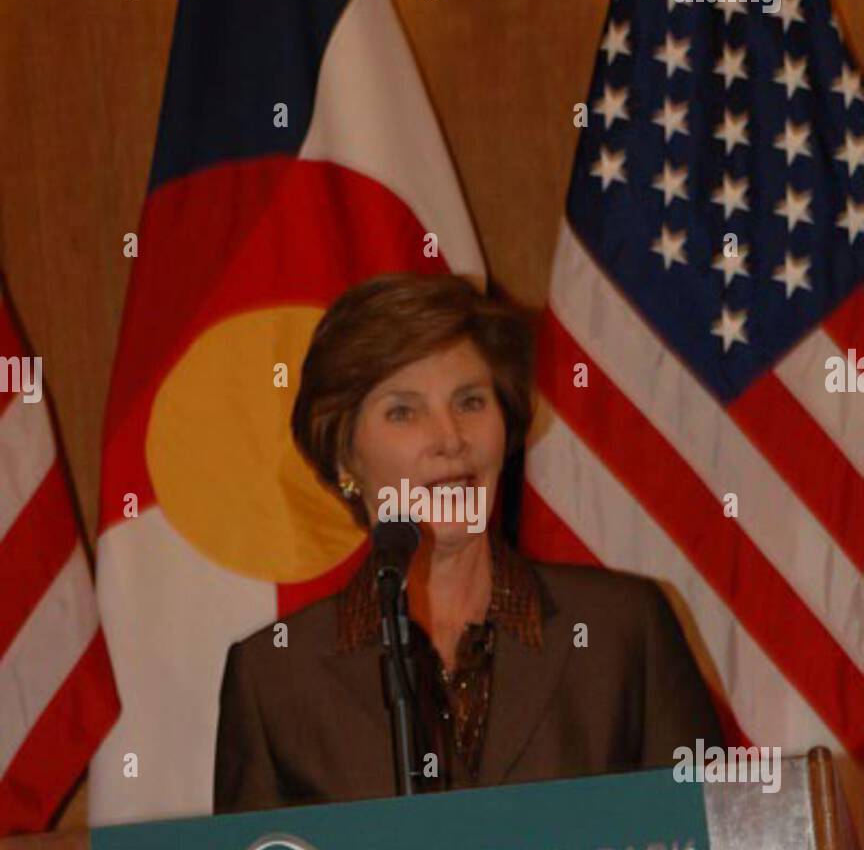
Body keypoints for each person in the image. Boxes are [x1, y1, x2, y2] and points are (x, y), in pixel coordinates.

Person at [213, 272, 724, 814]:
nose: (451, 438)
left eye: (471, 402)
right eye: (404, 412)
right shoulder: (273, 678)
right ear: (345, 459)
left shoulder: (624, 632)